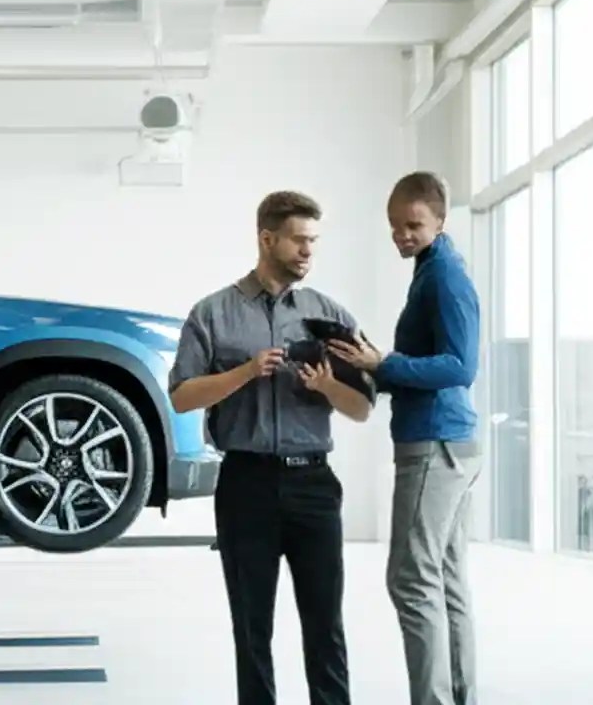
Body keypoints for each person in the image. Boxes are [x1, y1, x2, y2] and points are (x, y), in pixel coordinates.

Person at [170, 190, 375, 705]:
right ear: (267, 238)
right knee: (251, 628)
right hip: (246, 484)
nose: (309, 251)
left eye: (314, 241)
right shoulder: (212, 314)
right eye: (299, 240)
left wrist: (327, 386)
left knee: (325, 626)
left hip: (314, 486)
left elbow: (362, 408)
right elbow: (180, 396)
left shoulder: (330, 315)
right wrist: (244, 372)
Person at [326, 171, 481, 705]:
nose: (402, 235)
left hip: (435, 446)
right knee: (445, 579)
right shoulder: (429, 269)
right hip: (450, 442)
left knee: (411, 581)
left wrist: (384, 362)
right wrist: (373, 366)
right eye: (395, 226)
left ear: (440, 220)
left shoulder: (445, 277)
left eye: (413, 225)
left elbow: (462, 366)